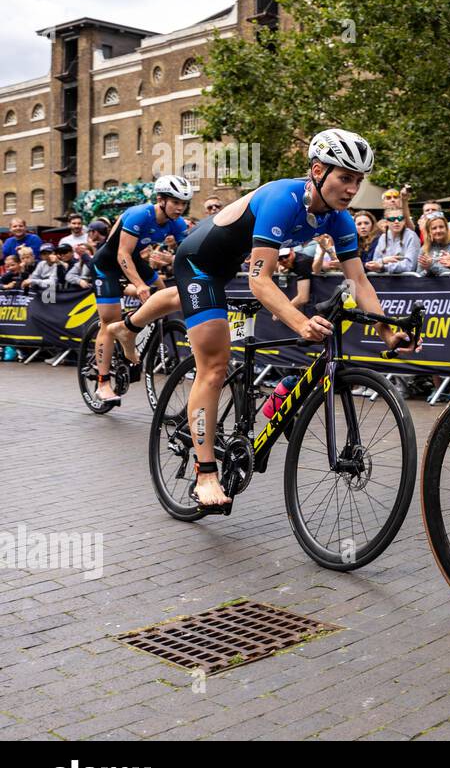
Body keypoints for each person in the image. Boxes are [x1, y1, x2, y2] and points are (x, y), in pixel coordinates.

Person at [121, 128, 415, 512]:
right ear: (317, 171)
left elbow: (358, 280)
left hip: (234, 262)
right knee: (214, 365)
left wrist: (386, 329)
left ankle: (128, 328)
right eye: (345, 177)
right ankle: (204, 471)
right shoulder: (283, 197)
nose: (351, 189)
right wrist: (298, 322)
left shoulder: (340, 221)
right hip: (200, 263)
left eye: (358, 181)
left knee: (208, 323)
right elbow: (260, 280)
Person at [92, 175, 192, 403]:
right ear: (161, 199)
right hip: (107, 264)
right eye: (175, 202)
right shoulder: (140, 214)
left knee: (162, 292)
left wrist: (174, 259)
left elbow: (186, 253)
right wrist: (138, 285)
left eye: (183, 203)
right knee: (108, 322)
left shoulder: (176, 224)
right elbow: (121, 254)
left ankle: (131, 328)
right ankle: (103, 383)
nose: (180, 208)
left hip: (134, 261)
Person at [368, 207, 421, 274]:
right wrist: (384, 260)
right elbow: (375, 262)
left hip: (406, 281)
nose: (396, 222)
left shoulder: (412, 236)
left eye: (400, 218)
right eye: (392, 219)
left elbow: (410, 266)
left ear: (404, 221)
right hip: (384, 281)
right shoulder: (383, 237)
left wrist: (383, 267)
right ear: (386, 222)